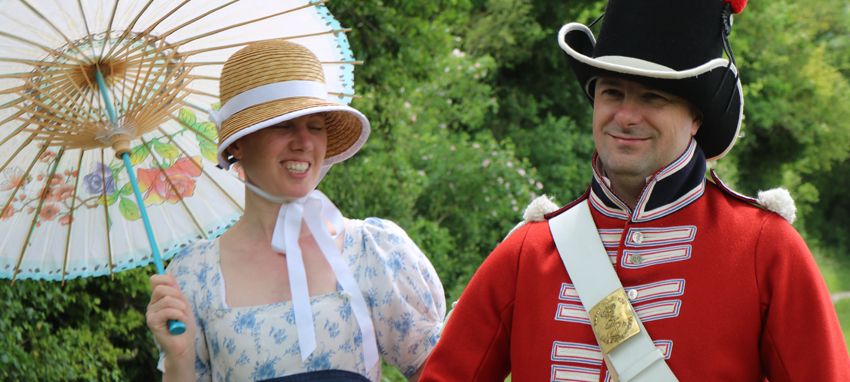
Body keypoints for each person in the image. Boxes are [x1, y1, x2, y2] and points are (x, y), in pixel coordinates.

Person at [420, 1, 850, 381]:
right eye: (612, 93)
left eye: (652, 97)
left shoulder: (764, 248)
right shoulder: (528, 252)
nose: (626, 116)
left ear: (696, 117)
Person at [146, 40, 445, 382]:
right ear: (238, 144)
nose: (304, 142)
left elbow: (439, 372)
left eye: (315, 126)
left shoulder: (372, 252)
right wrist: (179, 359)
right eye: (284, 125)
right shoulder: (194, 276)